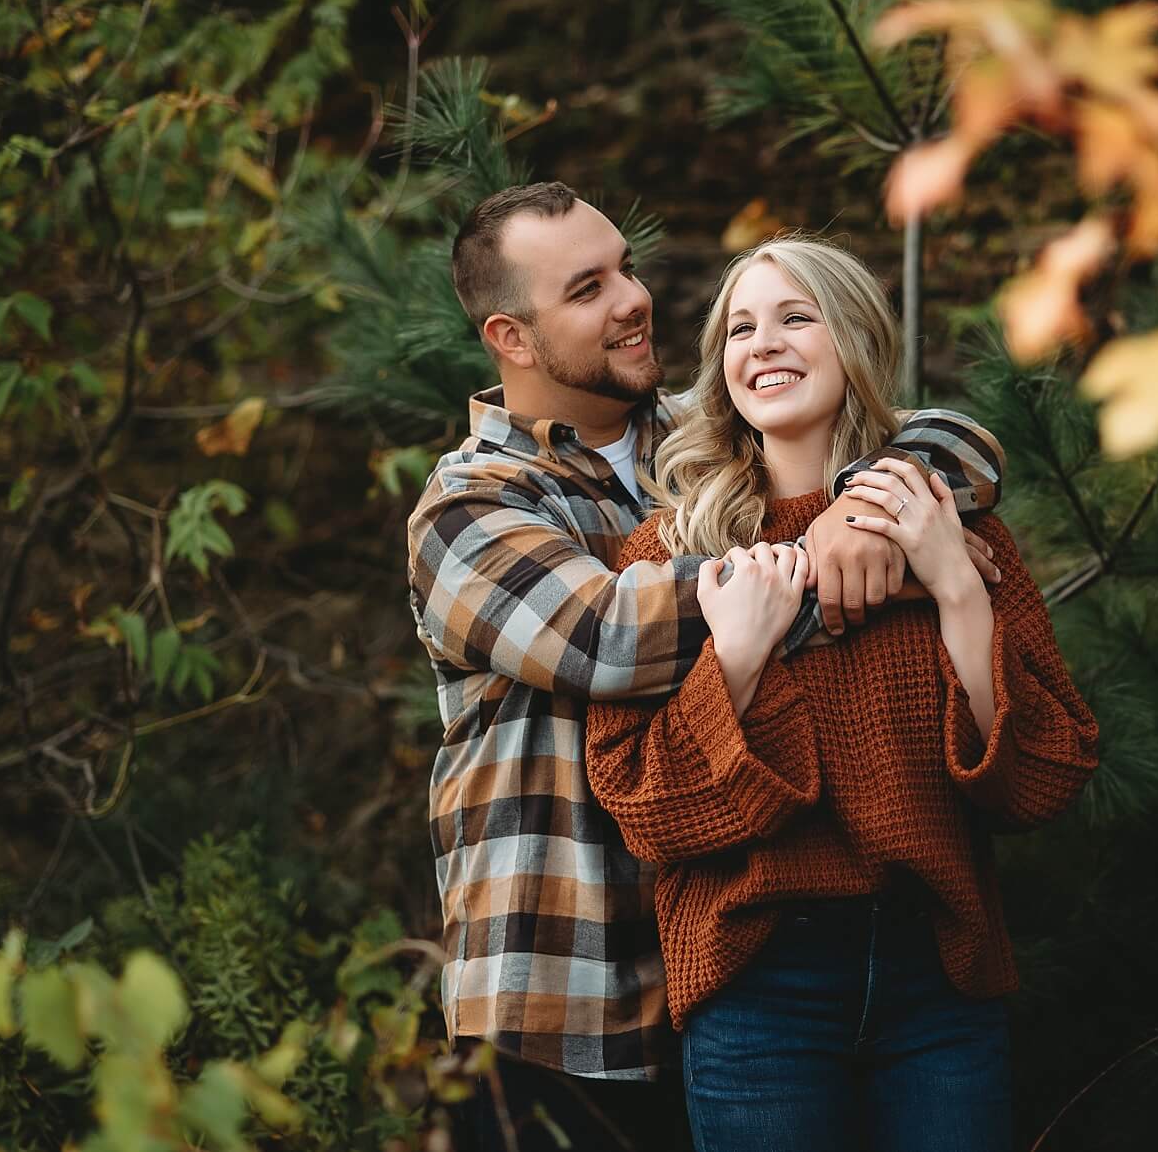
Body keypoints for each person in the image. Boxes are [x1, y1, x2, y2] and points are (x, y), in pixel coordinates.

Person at [406, 184, 1010, 1152]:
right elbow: (610, 634)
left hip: (740, 975)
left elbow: (957, 443)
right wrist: (860, 557)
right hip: (566, 1003)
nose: (633, 298)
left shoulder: (710, 433)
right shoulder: (466, 511)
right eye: (589, 287)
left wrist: (865, 500)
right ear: (512, 337)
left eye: (628, 267)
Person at [583, 238, 1100, 1152]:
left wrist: (957, 591)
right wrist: (734, 663)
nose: (763, 344)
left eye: (795, 317)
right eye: (741, 328)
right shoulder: (666, 557)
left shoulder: (957, 528)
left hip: (938, 976)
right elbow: (645, 812)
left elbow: (1040, 781)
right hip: (757, 987)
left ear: (854, 338)